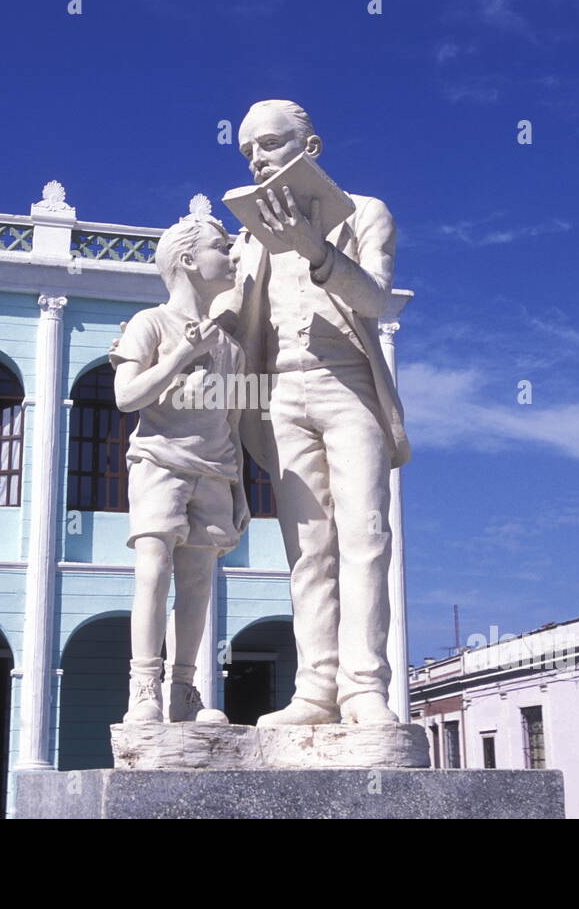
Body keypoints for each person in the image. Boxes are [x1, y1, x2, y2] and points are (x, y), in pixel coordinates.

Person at [229, 100, 411, 725]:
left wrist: (314, 249)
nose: (257, 157)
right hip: (280, 395)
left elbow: (377, 300)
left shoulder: (364, 213)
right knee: (308, 548)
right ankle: (315, 689)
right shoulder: (250, 239)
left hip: (348, 384)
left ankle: (364, 687)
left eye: (271, 144)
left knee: (365, 534)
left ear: (310, 150)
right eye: (248, 149)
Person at [109, 196, 250, 724]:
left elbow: (231, 424)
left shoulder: (231, 347)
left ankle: (183, 690)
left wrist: (238, 490)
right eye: (223, 247)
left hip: (213, 470)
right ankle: (143, 688)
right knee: (153, 568)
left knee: (197, 581)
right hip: (159, 464)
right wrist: (177, 358)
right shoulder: (151, 323)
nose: (232, 256)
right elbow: (127, 397)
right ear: (189, 260)